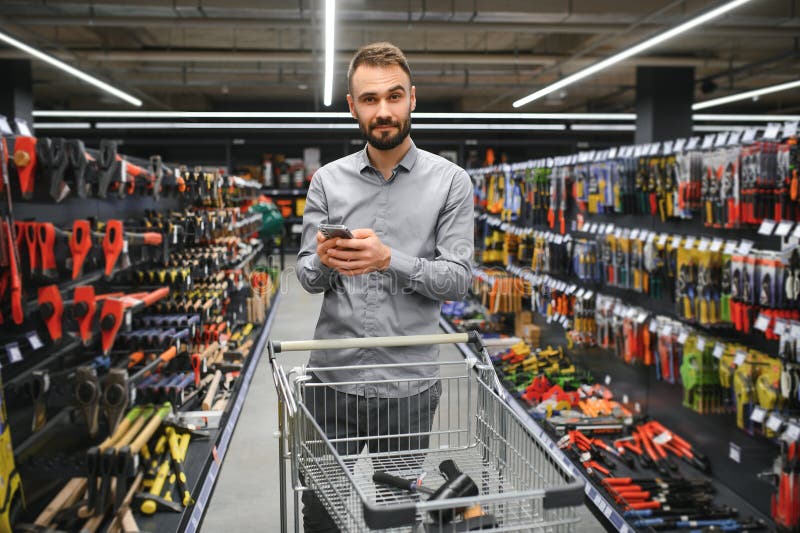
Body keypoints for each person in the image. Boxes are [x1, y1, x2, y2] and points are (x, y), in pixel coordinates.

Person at [296, 42, 474, 532]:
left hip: (408, 389)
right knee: (322, 516)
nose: (383, 110)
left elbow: (458, 280)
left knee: (392, 518)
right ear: (353, 107)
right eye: (369, 99)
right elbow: (307, 276)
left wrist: (389, 259)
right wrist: (328, 261)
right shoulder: (328, 182)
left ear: (412, 98)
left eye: (394, 96)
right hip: (332, 382)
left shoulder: (451, 182)